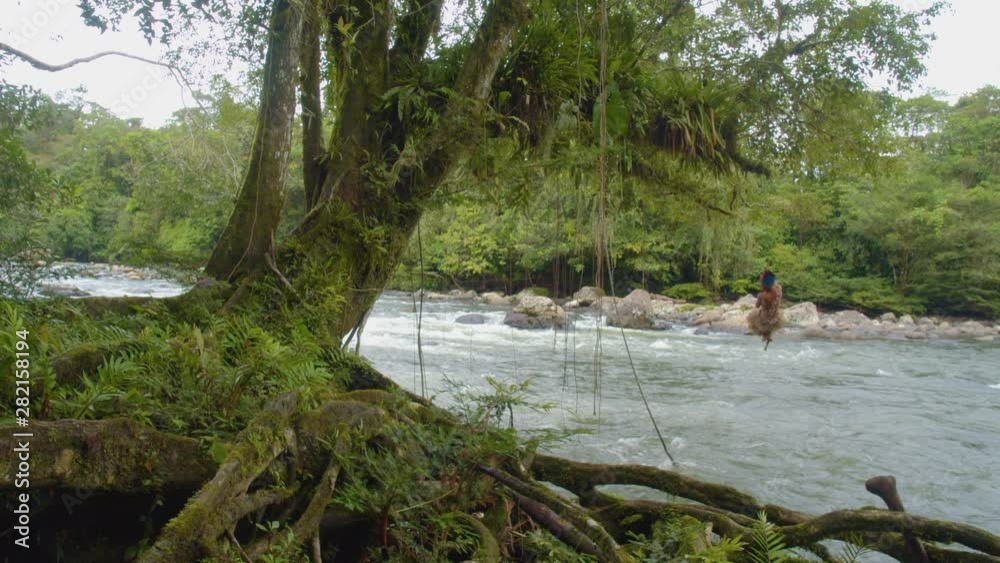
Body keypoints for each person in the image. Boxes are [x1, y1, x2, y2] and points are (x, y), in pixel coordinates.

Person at [747, 268, 783, 348]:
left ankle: (765, 335)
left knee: (753, 315)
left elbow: (757, 305)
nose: (759, 283)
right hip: (776, 316)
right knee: (770, 316)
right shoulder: (779, 289)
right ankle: (768, 335)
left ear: (764, 284)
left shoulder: (762, 295)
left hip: (765, 319)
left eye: (760, 282)